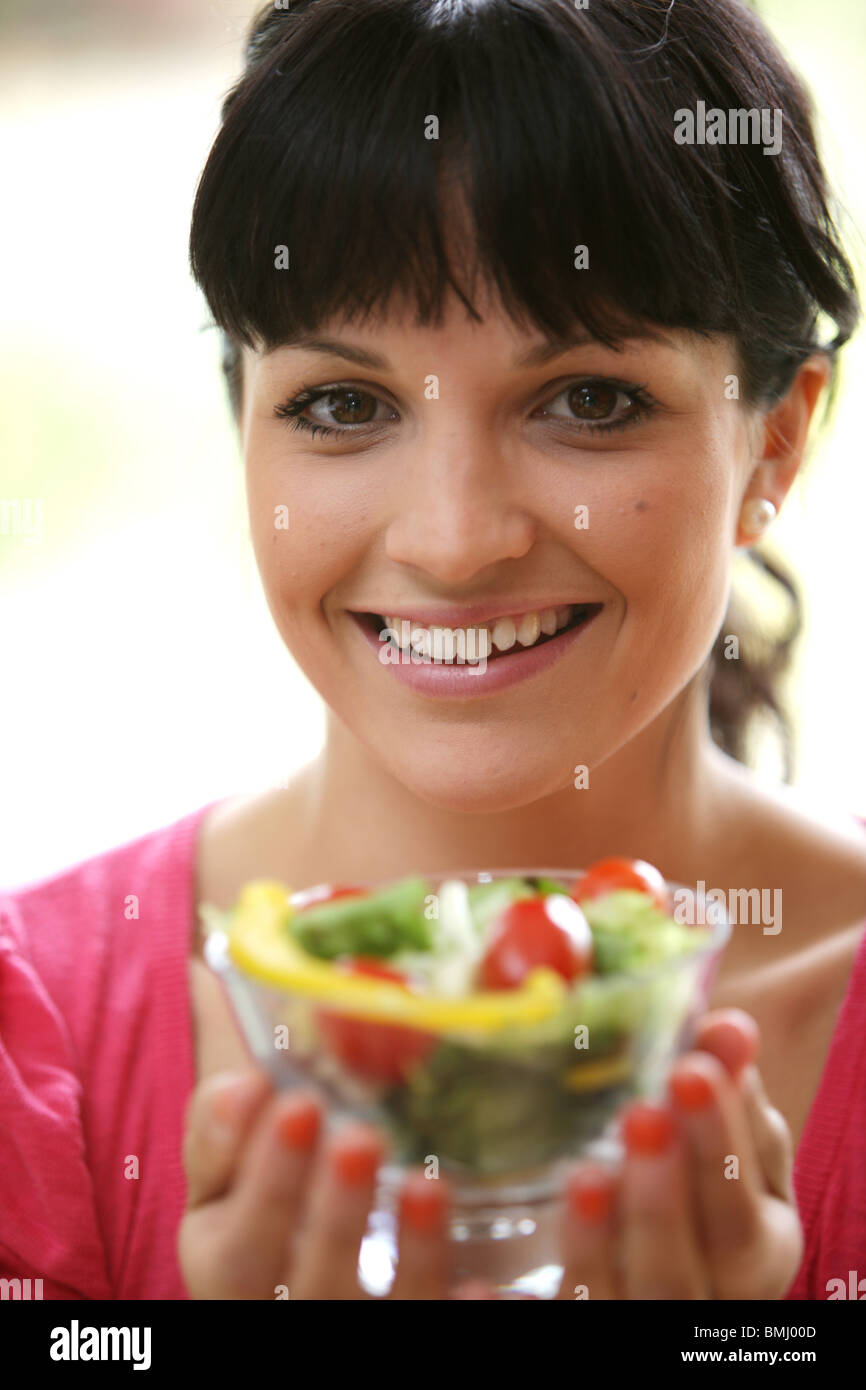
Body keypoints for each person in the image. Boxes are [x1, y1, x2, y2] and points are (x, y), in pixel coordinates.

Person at [2, 0, 865, 1301]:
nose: (455, 541)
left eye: (588, 399)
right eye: (341, 403)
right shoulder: (37, 1051)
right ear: (247, 422)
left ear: (774, 445)